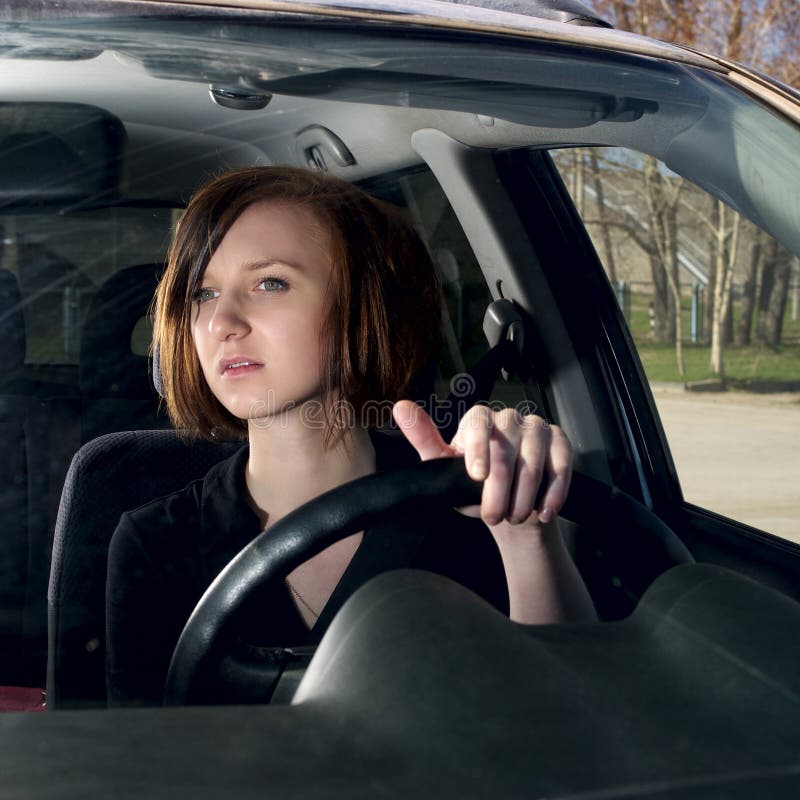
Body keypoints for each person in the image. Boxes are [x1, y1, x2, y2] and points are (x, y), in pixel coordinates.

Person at [106, 166, 595, 707]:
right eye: (203, 293)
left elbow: (563, 726)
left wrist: (524, 533)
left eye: (271, 283)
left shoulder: (466, 501)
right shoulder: (155, 541)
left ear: (364, 307)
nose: (222, 320)